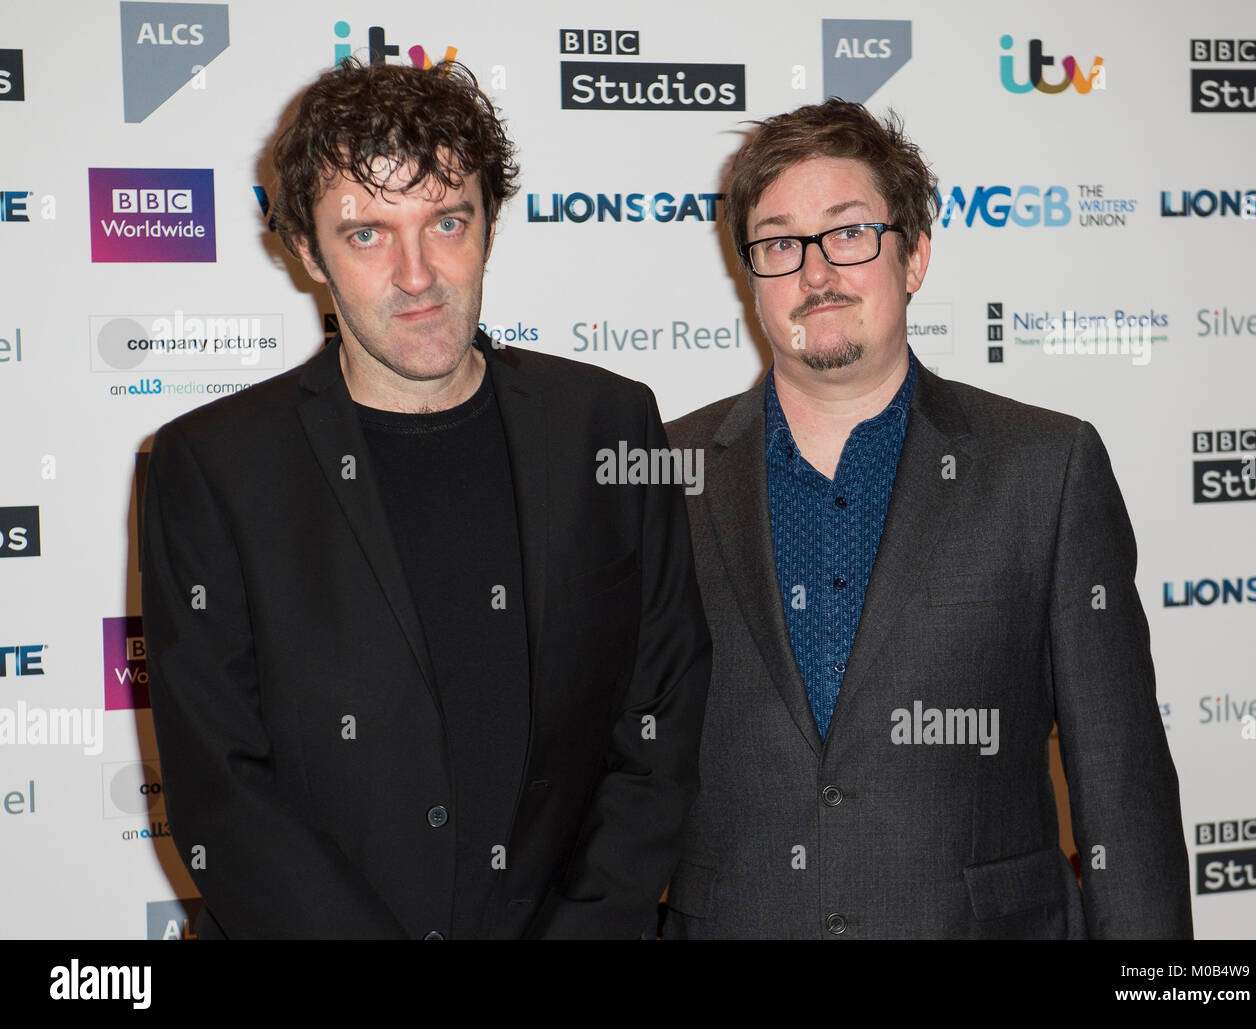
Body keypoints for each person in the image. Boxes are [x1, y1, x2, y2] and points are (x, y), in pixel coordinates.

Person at [140, 59, 710, 940]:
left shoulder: (612, 423)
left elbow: (662, 712)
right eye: (367, 233)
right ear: (307, 252)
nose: (417, 274)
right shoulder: (210, 465)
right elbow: (222, 789)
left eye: (447, 221)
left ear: (488, 225)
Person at [662, 99, 1192, 939]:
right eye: (777, 243)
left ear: (914, 258)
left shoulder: (1046, 468)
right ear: (749, 274)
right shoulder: (662, 475)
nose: (814, 271)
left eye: (848, 233)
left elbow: (1121, 789)